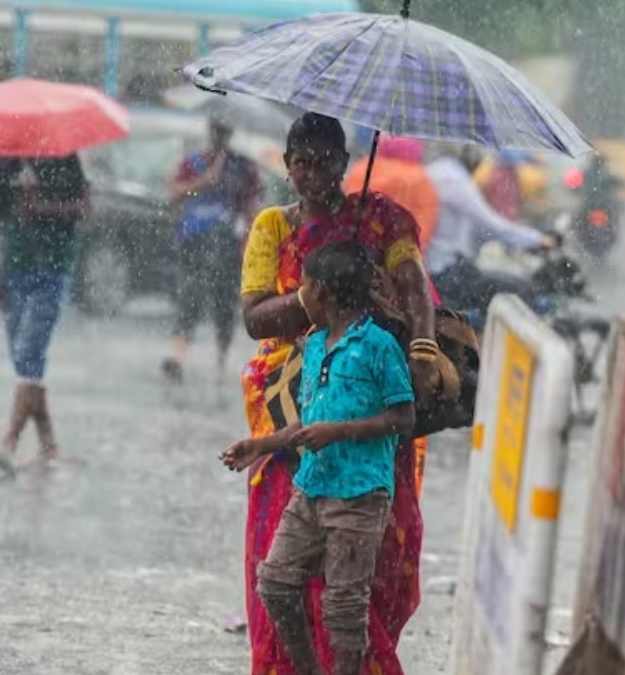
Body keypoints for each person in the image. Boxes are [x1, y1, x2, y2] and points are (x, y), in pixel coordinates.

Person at [239, 112, 438, 675]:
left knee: (368, 564)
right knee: (282, 564)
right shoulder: (273, 228)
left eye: (325, 161)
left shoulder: (383, 220)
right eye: (301, 162)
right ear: (286, 165)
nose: (312, 173)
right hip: (291, 401)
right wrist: (321, 294)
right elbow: (255, 319)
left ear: (345, 164)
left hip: (368, 403)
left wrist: (421, 350)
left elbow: (414, 288)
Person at [222, 240, 415, 675]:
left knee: (345, 605)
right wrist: (261, 445)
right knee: (274, 582)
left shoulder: (379, 346)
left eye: (304, 285)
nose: (299, 295)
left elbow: (403, 417)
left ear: (323, 292)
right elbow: (310, 421)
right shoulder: (312, 347)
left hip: (360, 493)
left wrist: (341, 432)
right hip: (311, 486)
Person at [0, 155, 89, 475]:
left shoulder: (65, 158)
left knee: (29, 352)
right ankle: (49, 446)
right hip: (14, 269)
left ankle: (8, 443)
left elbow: (83, 207)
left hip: (53, 268)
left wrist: (39, 206)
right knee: (25, 362)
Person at [162, 117, 262, 382]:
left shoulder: (243, 167)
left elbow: (253, 205)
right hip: (193, 242)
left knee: (224, 303)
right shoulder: (193, 162)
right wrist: (205, 181)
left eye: (223, 131)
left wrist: (248, 242)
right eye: (215, 130)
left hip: (228, 245)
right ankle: (177, 355)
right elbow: (173, 194)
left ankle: (220, 362)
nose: (219, 136)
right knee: (189, 296)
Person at [424, 144, 555, 310]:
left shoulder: (435, 170)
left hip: (435, 264)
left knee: (496, 284)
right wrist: (538, 239)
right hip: (443, 268)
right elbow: (491, 224)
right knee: (518, 290)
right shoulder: (454, 179)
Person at [343, 134, 440, 251]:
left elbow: (349, 207)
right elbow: (426, 220)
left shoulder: (363, 169)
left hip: (359, 247)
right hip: (402, 251)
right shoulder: (420, 178)